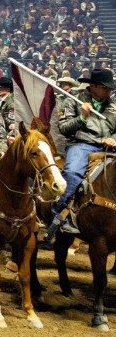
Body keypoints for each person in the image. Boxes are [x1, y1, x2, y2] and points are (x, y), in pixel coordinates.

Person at [46, 67, 116, 241]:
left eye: (110, 88)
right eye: (105, 87)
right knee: (72, 173)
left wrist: (113, 138)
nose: (109, 91)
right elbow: (63, 128)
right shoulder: (73, 101)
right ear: (92, 85)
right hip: (81, 145)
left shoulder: (114, 105)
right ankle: (60, 215)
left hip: (109, 147)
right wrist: (82, 117)